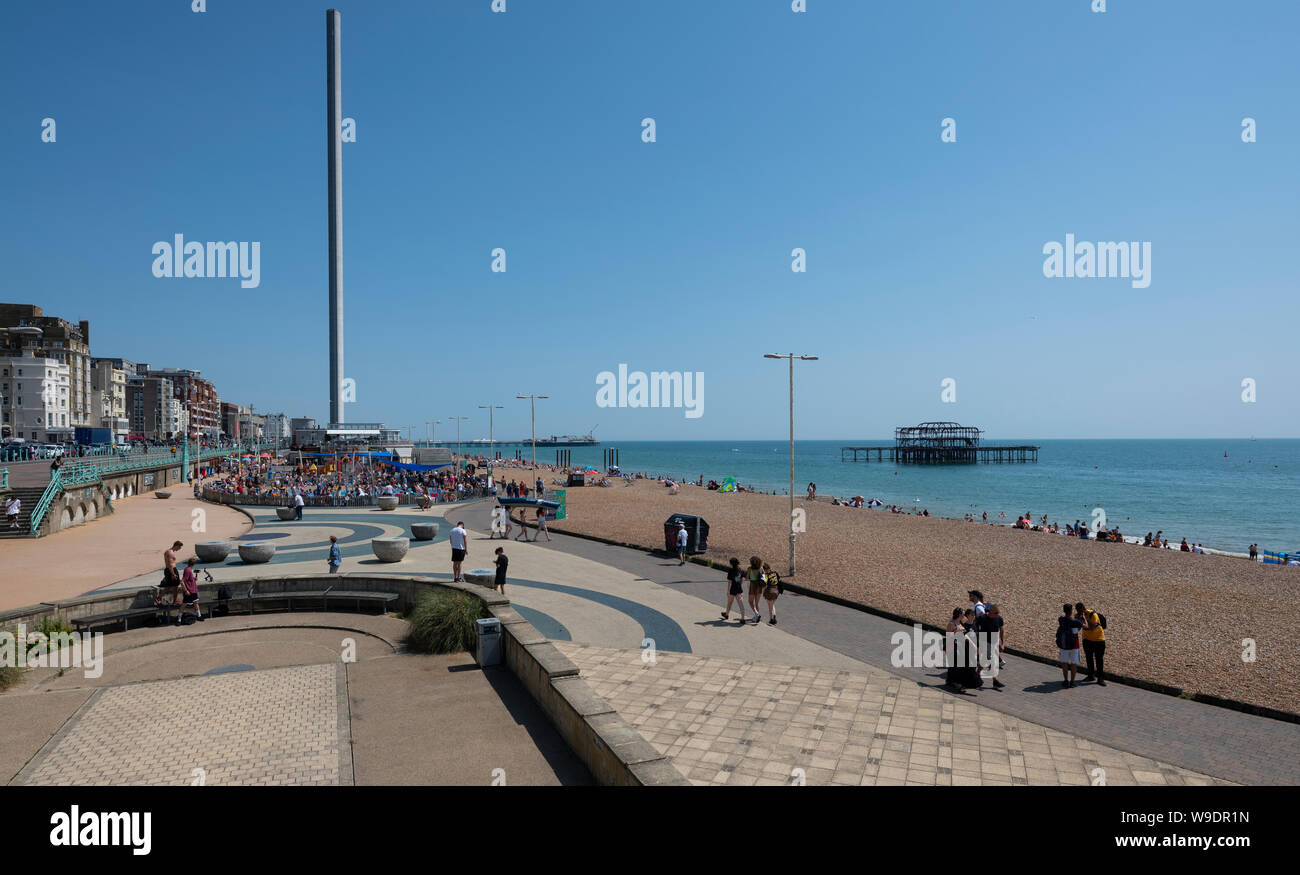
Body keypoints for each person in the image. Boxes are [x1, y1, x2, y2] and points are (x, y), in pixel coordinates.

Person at [974, 603, 1006, 689]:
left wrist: (1002, 643)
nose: (997, 615)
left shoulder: (999, 618)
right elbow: (974, 629)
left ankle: (978, 677)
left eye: (998, 613)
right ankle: (993, 680)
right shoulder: (982, 618)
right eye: (996, 613)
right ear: (990, 612)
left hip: (994, 643)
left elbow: (1002, 631)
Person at [1077, 602, 1106, 685]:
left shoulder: (1093, 614)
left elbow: (1092, 627)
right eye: (1078, 611)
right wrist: (1079, 620)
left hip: (1099, 640)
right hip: (1087, 640)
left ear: (1084, 609)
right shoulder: (1077, 615)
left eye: (1080, 611)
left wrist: (1084, 620)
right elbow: (1078, 627)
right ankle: (1091, 676)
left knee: (1099, 659)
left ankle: (1100, 678)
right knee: (1089, 659)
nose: (1079, 613)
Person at [1057, 604, 1084, 688]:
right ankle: (1072, 682)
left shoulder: (1061, 619)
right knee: (1073, 664)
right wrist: (1083, 619)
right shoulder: (1075, 621)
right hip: (1074, 644)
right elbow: (1084, 627)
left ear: (1064, 610)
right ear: (1071, 611)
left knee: (1064, 663)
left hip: (1064, 644)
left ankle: (1065, 680)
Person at [720, 557, 748, 623]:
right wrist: (739, 586)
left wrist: (728, 591)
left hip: (732, 589)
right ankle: (742, 618)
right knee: (741, 604)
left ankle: (726, 614)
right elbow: (741, 580)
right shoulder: (740, 570)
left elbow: (729, 581)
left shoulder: (731, 570)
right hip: (738, 589)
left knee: (729, 602)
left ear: (731, 564)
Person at [161, 540, 184, 610]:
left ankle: (173, 600)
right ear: (177, 546)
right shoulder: (171, 553)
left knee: (171, 586)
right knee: (174, 587)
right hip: (172, 570)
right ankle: (174, 601)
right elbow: (171, 564)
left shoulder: (167, 551)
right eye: (179, 547)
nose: (179, 549)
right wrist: (173, 574)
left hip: (169, 570)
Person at [180, 558, 203, 623]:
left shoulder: (189, 570)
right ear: (194, 564)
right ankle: (179, 619)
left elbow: (188, 579)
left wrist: (193, 579)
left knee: (195, 603)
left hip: (193, 590)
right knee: (184, 605)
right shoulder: (188, 570)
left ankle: (199, 616)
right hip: (189, 591)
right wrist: (185, 591)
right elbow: (182, 582)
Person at [746, 556, 765, 624]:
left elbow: (747, 578)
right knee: (757, 603)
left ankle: (757, 614)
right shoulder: (761, 569)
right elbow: (764, 578)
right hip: (759, 586)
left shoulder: (749, 569)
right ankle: (757, 617)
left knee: (750, 602)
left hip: (752, 585)